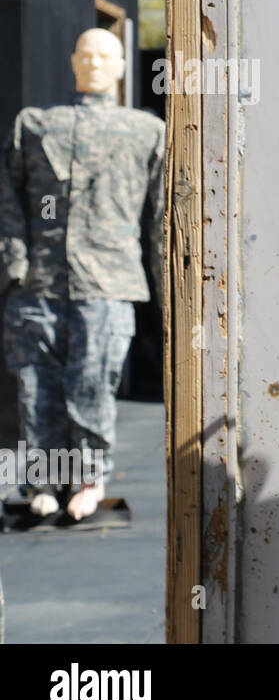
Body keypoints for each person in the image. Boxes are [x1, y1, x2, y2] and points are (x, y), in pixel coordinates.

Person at [0, 28, 164, 521]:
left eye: (105, 55)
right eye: (86, 54)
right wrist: (15, 263)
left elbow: (159, 217)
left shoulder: (145, 130)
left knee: (93, 383)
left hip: (108, 279)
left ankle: (91, 478)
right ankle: (44, 481)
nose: (94, 62)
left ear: (120, 67)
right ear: (73, 61)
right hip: (40, 282)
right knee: (36, 386)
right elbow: (10, 199)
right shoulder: (35, 125)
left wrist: (165, 288)